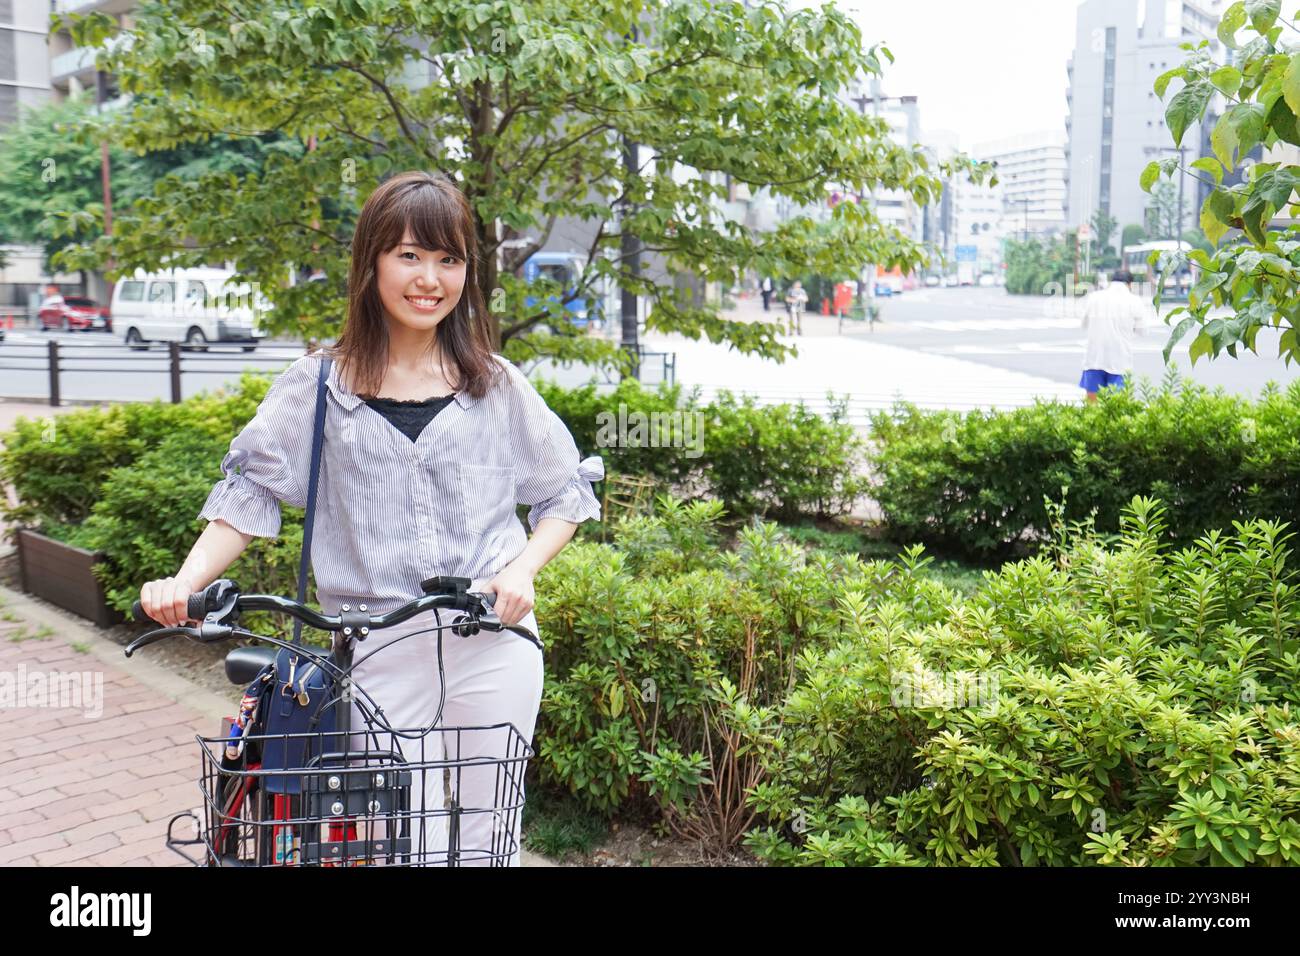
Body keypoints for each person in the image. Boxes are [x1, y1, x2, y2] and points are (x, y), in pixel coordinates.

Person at [137, 170, 604, 866]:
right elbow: (250, 494)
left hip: (494, 642)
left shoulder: (496, 385)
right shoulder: (318, 385)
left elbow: (564, 493)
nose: (430, 278)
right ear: (373, 262)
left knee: (489, 839)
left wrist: (521, 571)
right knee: (408, 845)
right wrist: (182, 582)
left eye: (449, 259)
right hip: (380, 649)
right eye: (410, 255)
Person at [1079, 269, 1151, 402]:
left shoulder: (1094, 297)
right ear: (1130, 284)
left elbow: (1083, 324)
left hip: (1094, 358)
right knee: (1116, 406)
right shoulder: (1134, 301)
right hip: (1120, 360)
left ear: (1112, 281)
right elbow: (1142, 331)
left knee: (1092, 404)